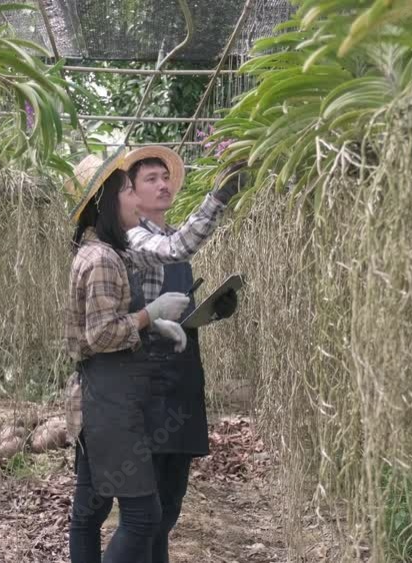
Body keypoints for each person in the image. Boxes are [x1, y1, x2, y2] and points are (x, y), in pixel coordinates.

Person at [65, 149, 192, 563]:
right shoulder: (102, 259)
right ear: (106, 202)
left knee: (89, 510)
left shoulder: (106, 254)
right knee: (141, 516)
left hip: (103, 395)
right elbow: (101, 333)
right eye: (127, 190)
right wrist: (148, 315)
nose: (138, 199)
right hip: (110, 402)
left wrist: (152, 324)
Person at [122, 146, 247, 563]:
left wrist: (211, 312)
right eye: (150, 179)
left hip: (181, 375)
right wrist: (220, 196)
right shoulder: (136, 238)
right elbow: (177, 249)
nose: (163, 184)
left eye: (165, 177)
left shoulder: (168, 233)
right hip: (148, 379)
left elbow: (176, 304)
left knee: (172, 497)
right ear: (131, 192)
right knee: (148, 504)